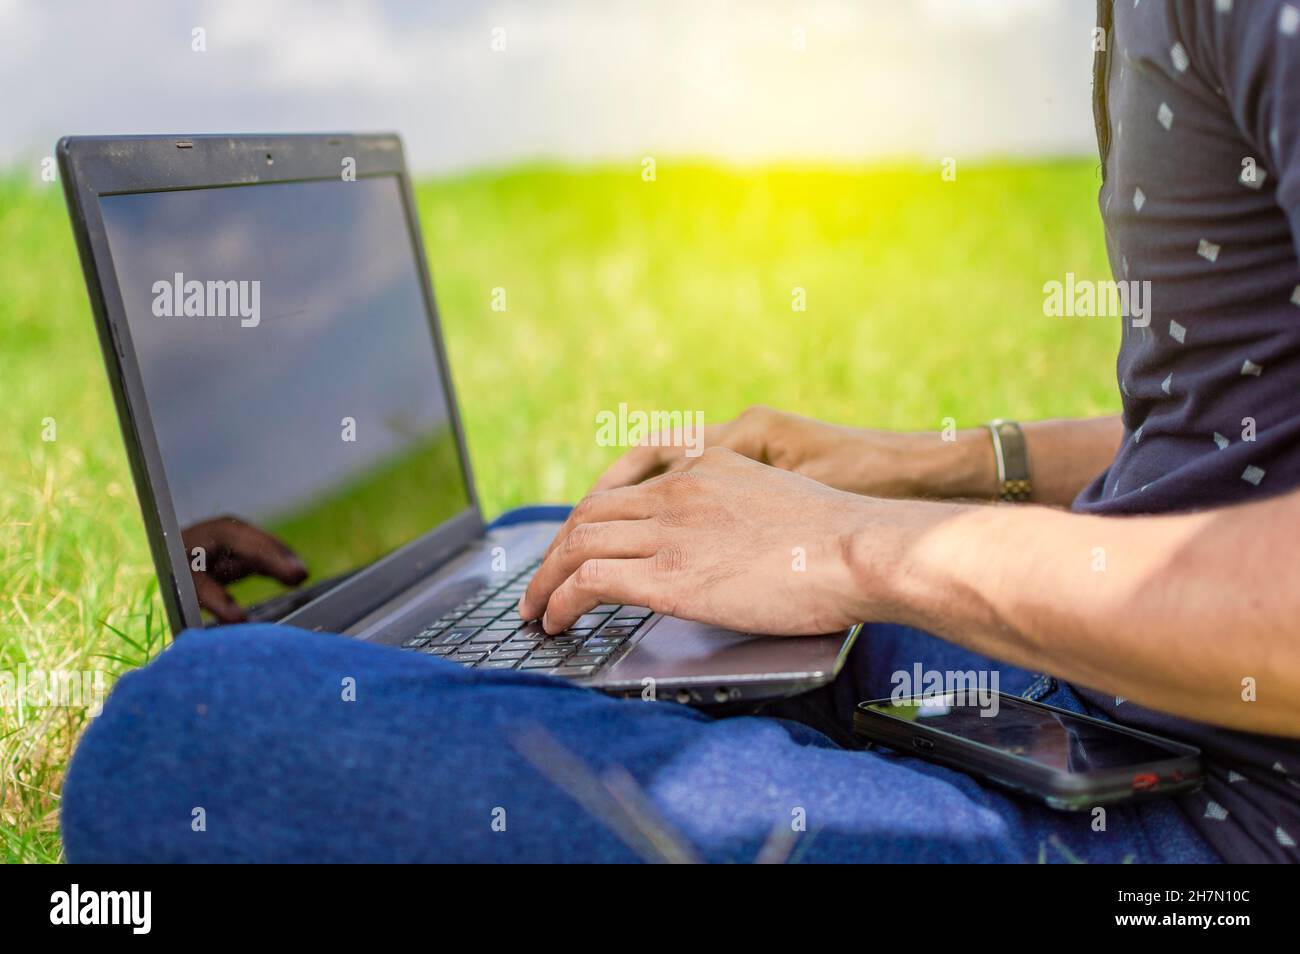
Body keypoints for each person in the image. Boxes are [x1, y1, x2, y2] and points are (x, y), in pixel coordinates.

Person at [62, 0, 1300, 862]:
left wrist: (857, 549)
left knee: (186, 732)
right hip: (1124, 692)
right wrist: (928, 468)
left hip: (1196, 823)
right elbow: (1239, 426)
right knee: (579, 545)